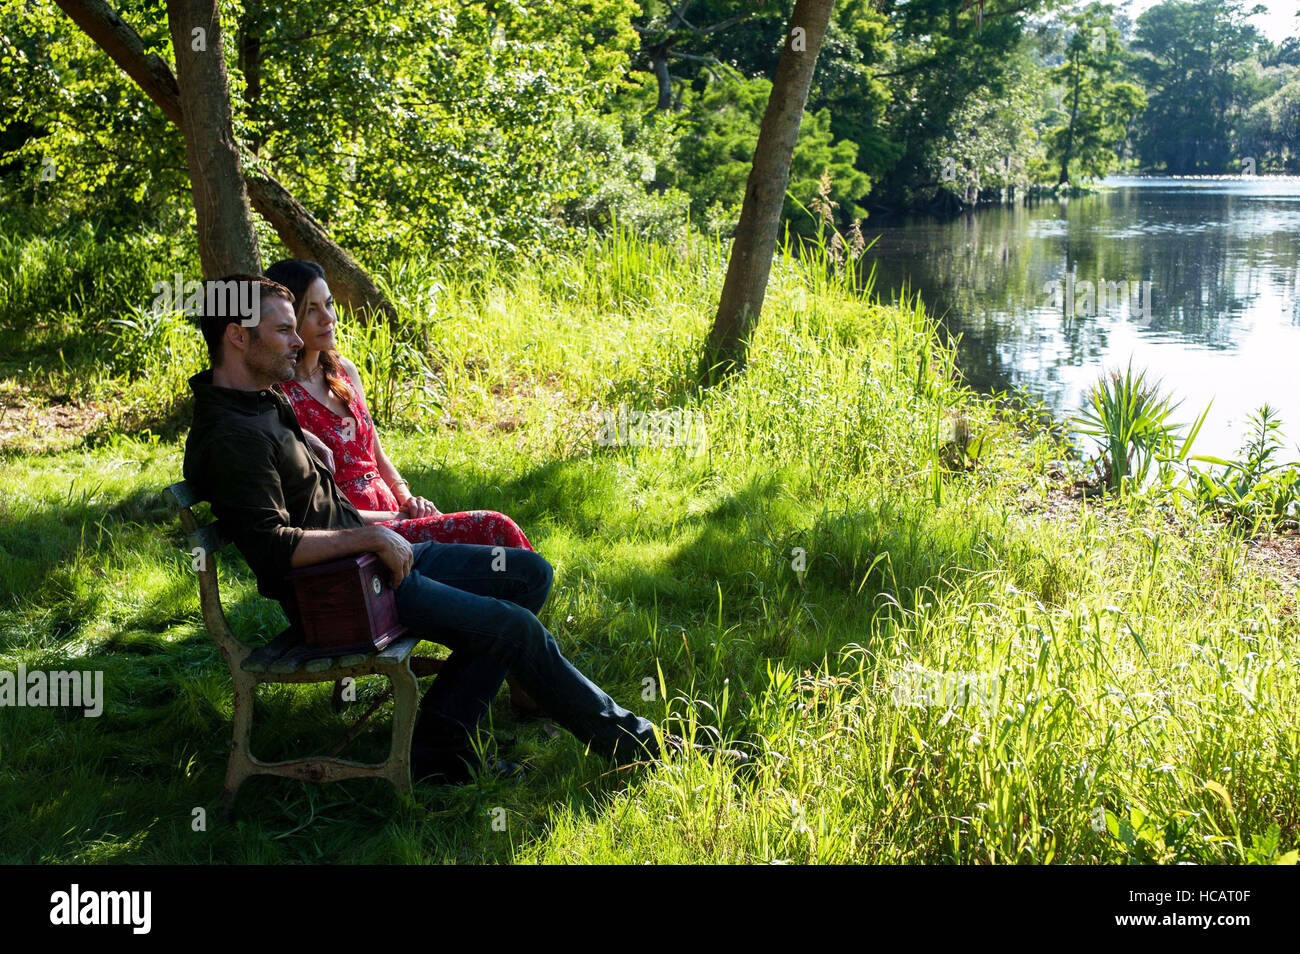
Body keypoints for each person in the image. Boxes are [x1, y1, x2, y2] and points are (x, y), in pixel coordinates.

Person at [182, 275, 673, 785]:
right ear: (238, 337)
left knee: (526, 574)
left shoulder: (253, 398)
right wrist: (374, 536)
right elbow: (271, 548)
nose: (300, 341)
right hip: (341, 592)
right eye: (285, 329)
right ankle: (643, 747)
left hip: (370, 564)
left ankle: (439, 742)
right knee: (513, 628)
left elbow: (270, 453)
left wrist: (304, 445)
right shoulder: (231, 435)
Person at [262, 259, 532, 552]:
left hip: (394, 512)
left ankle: (518, 594)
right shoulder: (280, 396)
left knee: (482, 543)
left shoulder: (344, 371)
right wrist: (397, 517)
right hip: (354, 530)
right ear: (289, 318)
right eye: (311, 310)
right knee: (493, 527)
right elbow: (316, 505)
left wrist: (409, 499)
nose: (327, 318)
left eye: (328, 304)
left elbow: (376, 455)